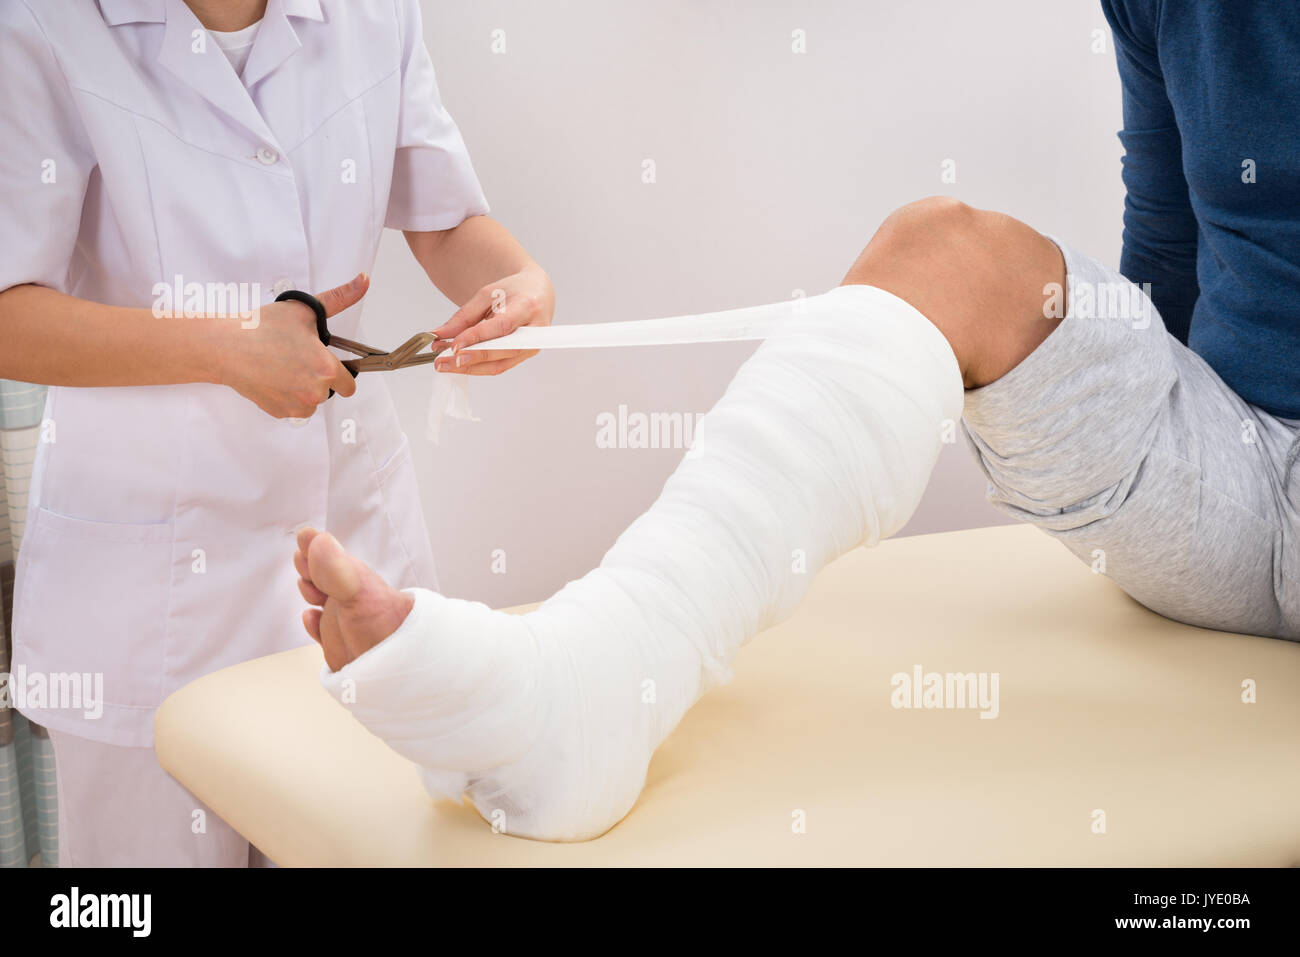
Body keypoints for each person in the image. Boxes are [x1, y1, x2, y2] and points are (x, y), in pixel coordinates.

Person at [291, 0, 1300, 843]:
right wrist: (1145, 426)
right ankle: (601, 681)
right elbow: (1167, 239)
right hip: (1236, 470)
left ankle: (572, 697)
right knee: (939, 248)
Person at [0, 0, 553, 866]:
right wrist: (229, 352)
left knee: (377, 839)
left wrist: (519, 280)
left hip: (351, 540)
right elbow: (8, 313)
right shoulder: (41, 23)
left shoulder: (375, 13)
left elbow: (441, 215)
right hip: (149, 588)